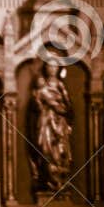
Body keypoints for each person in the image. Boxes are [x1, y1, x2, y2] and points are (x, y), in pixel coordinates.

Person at [25, 61, 74, 198]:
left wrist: (60, 108)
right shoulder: (40, 87)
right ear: (45, 68)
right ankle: (47, 181)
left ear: (58, 68)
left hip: (60, 124)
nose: (52, 69)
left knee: (61, 151)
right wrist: (43, 103)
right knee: (45, 150)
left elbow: (69, 107)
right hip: (45, 122)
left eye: (55, 66)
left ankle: (60, 181)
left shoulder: (61, 86)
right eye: (49, 66)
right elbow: (35, 106)